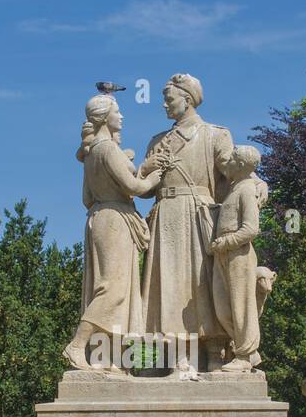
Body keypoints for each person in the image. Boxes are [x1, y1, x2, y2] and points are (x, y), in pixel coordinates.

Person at [139, 73, 238, 371]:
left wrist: (256, 183)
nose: (165, 106)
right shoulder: (158, 141)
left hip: (198, 216)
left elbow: (234, 169)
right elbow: (142, 188)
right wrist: (146, 168)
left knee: (203, 284)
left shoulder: (214, 134)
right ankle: (178, 357)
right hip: (166, 216)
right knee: (170, 285)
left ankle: (214, 353)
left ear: (187, 98)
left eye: (169, 99)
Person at [63, 93, 161, 372]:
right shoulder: (106, 149)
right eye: (117, 111)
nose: (122, 116)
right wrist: (156, 174)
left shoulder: (92, 151)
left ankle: (108, 357)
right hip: (114, 220)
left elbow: (86, 197)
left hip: (101, 216)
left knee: (114, 287)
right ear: (105, 116)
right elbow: (136, 188)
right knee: (113, 288)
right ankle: (77, 345)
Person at [208, 145, 268, 372]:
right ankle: (246, 352)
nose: (227, 162)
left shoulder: (246, 190)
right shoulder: (234, 188)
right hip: (223, 254)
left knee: (242, 306)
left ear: (241, 165)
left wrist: (226, 242)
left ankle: (245, 354)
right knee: (223, 308)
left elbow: (251, 229)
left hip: (238, 254)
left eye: (231, 159)